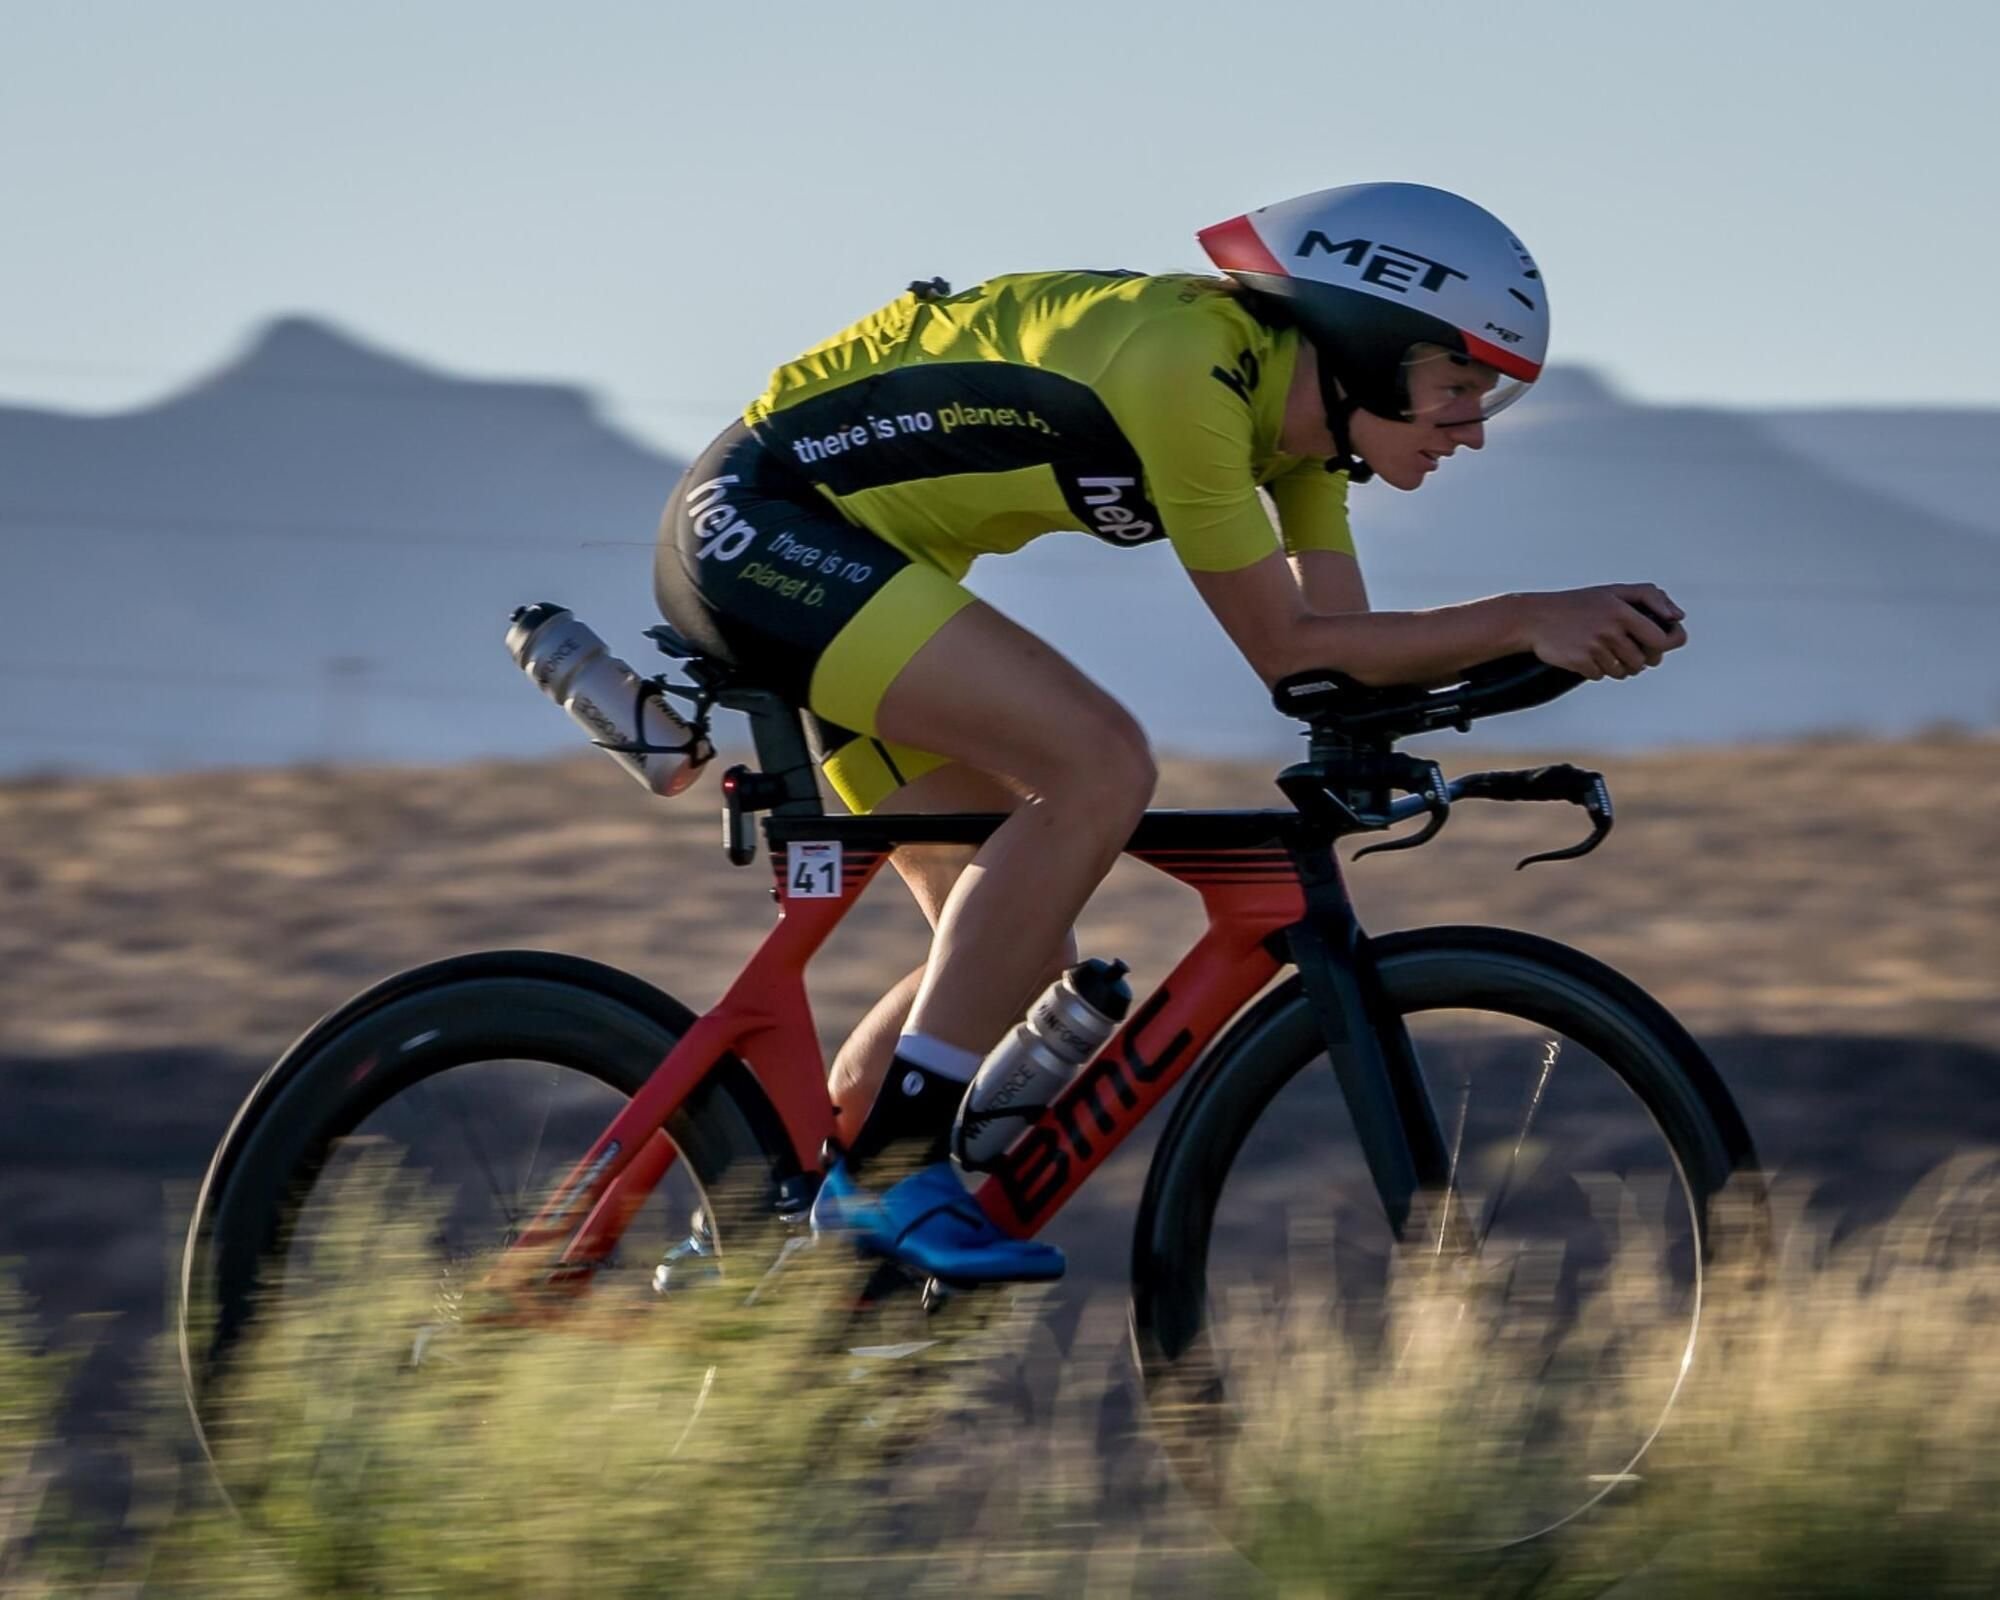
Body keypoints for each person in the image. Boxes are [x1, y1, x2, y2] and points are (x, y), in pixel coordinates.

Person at [654, 182, 1685, 1283]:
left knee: (1010, 947)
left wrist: (1524, 668)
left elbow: (1336, 654)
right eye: (1455, 387)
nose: (1471, 431)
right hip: (763, 525)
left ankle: (782, 1252)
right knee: (1098, 764)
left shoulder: (1294, 438)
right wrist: (1528, 615)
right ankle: (891, 1169)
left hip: (843, 558)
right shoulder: (1186, 368)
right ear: (1367, 348)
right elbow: (1288, 648)